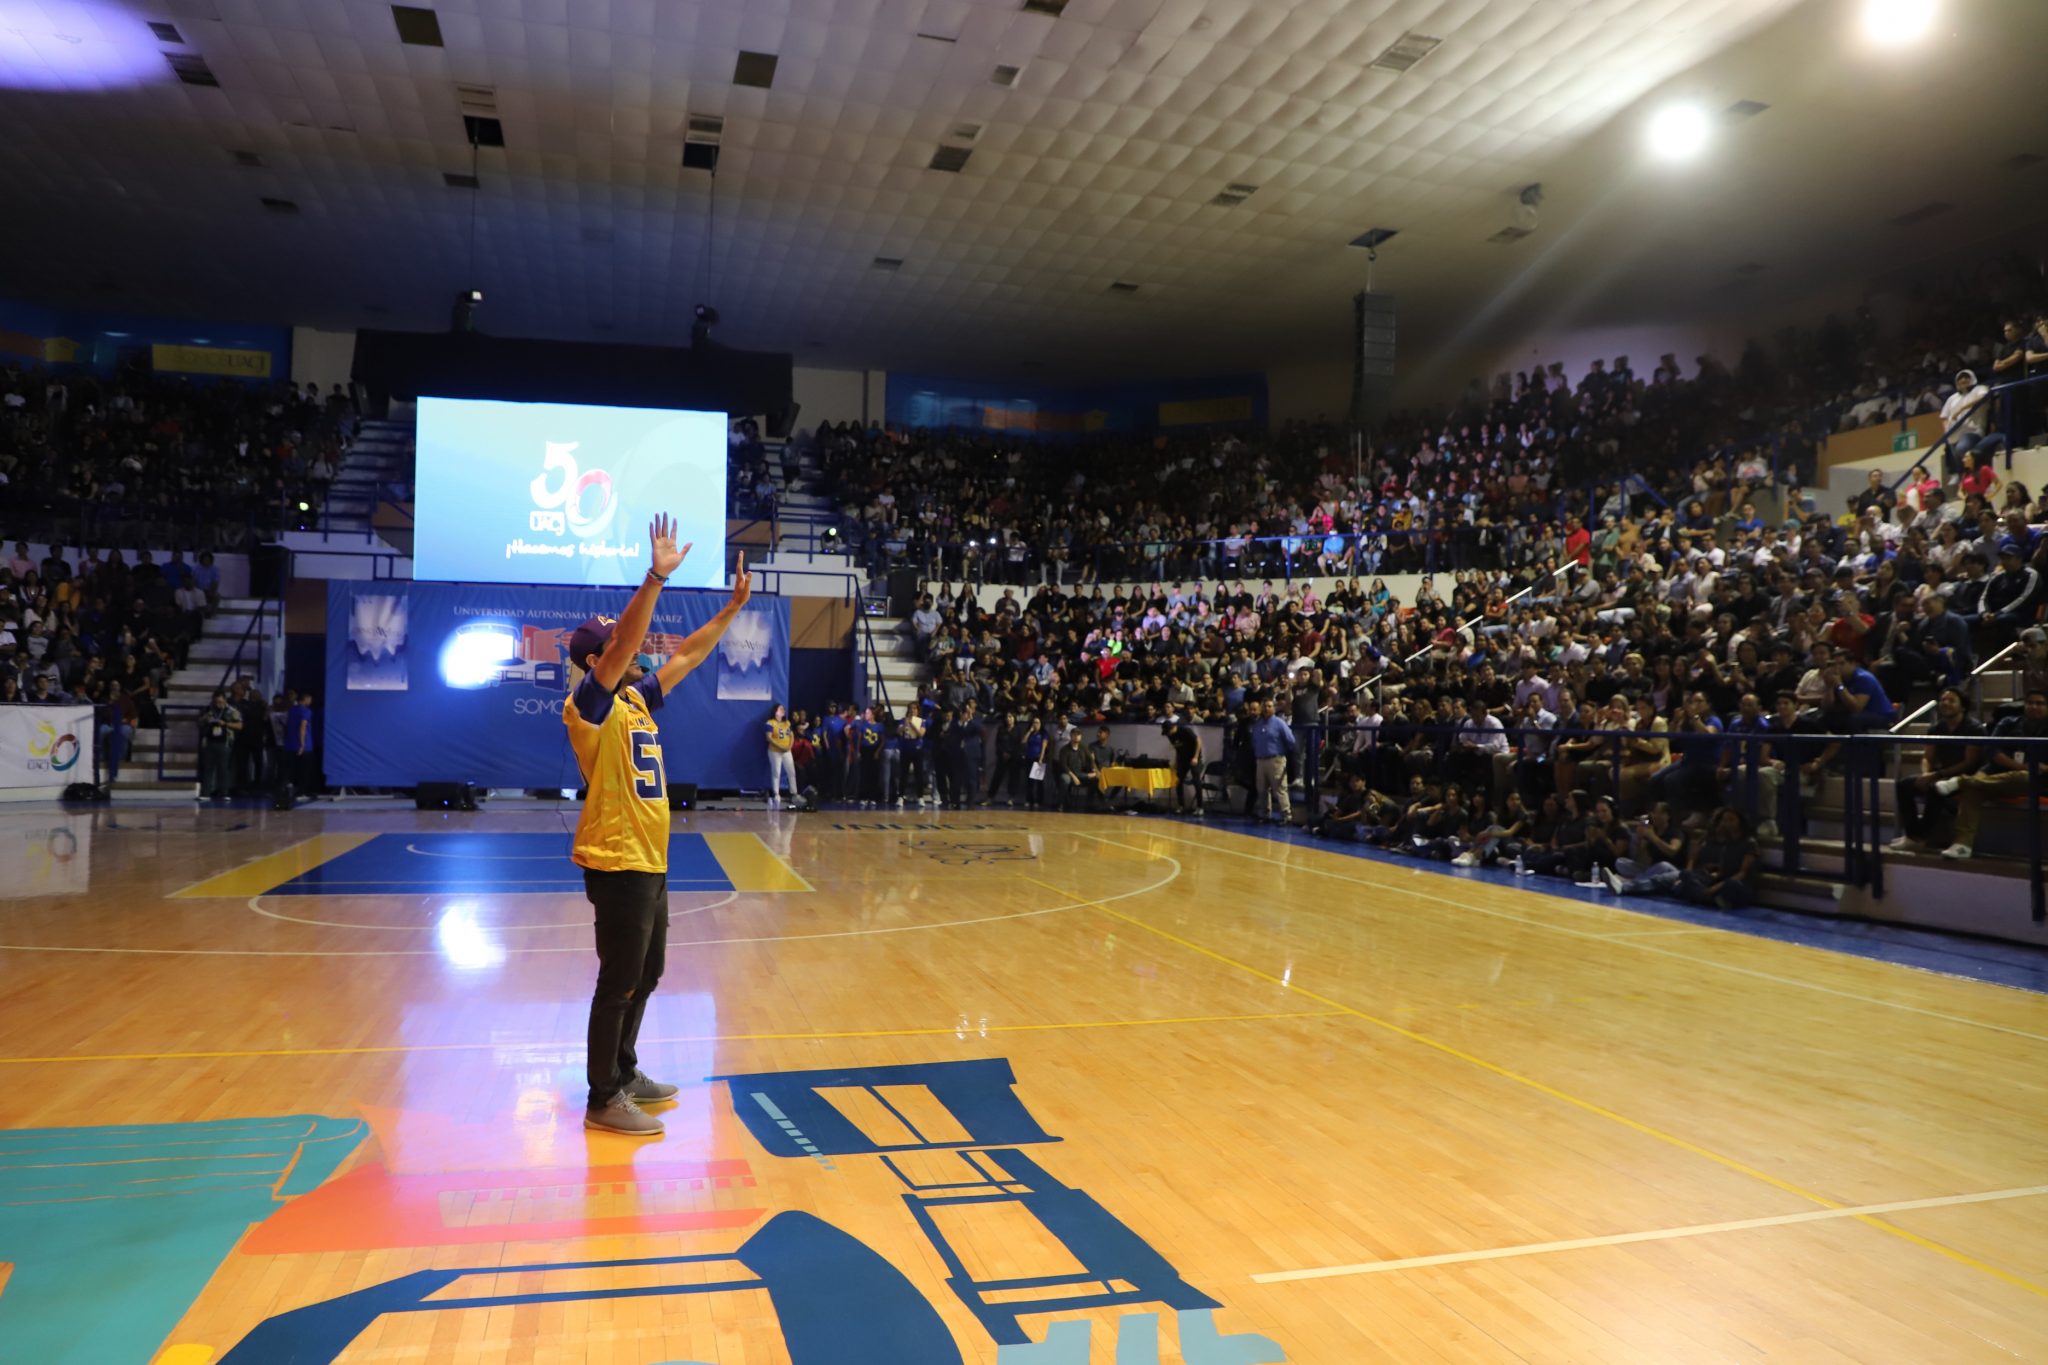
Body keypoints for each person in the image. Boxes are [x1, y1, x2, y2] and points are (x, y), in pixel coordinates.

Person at [562, 516, 751, 1137]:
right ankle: (602, 1096)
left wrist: (730, 611)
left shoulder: (636, 699)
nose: (637, 647)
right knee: (618, 979)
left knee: (648, 972)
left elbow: (690, 654)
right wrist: (654, 579)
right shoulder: (587, 706)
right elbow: (622, 648)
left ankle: (624, 1068)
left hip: (651, 856)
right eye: (620, 644)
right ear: (597, 659)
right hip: (617, 858)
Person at [1940, 687, 2048, 860]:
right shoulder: (2008, 722)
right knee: (1975, 787)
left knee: (2023, 778)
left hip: (2033, 781)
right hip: (1996, 773)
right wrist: (2024, 767)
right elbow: (1992, 750)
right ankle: (1962, 845)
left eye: (2039, 703)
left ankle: (1961, 781)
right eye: (2030, 703)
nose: (2034, 706)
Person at [1889, 688, 1984, 853]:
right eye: (1943, 700)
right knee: (1903, 785)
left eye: (1951, 700)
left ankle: (1921, 836)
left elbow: (1970, 763)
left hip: (1964, 777)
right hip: (1939, 774)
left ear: (1962, 706)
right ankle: (1913, 835)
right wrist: (1926, 774)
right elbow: (1927, 757)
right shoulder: (1936, 728)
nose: (1945, 703)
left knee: (1936, 790)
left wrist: (1937, 775)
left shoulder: (1974, 728)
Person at [1249, 698, 1297, 823]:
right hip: (1260, 760)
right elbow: (1254, 742)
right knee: (1262, 789)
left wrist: (1283, 754)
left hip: (1276, 760)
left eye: (1270, 706)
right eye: (1265, 706)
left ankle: (1286, 815)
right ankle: (1264, 814)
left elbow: (1291, 740)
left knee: (1280, 789)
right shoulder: (1257, 724)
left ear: (1274, 708)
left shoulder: (1279, 723)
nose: (1267, 709)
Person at [197, 688, 241, 800]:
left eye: (220, 702)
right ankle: (206, 792)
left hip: (224, 742)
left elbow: (240, 726)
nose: (218, 704)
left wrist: (225, 723)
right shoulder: (209, 710)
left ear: (225, 700)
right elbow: (199, 723)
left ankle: (224, 792)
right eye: (216, 702)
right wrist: (205, 719)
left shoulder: (232, 711)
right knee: (208, 768)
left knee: (223, 768)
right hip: (210, 741)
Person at [1164, 718, 1204, 815]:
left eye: (1168, 731)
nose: (1168, 734)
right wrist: (1176, 762)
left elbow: (1198, 741)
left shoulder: (1185, 730)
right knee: (1179, 781)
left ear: (1173, 727)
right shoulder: (1170, 736)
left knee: (1196, 780)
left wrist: (1195, 757)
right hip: (1183, 758)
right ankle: (1181, 805)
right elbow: (1178, 749)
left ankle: (1200, 806)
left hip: (1193, 757)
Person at [764, 703, 797, 808]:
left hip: (787, 751)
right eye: (780, 709)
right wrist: (780, 747)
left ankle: (794, 793)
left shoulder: (787, 722)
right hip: (775, 751)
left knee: (791, 771)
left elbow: (791, 735)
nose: (783, 710)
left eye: (783, 709)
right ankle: (776, 794)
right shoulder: (770, 723)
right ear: (775, 711)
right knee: (776, 772)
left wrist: (789, 746)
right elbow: (768, 738)